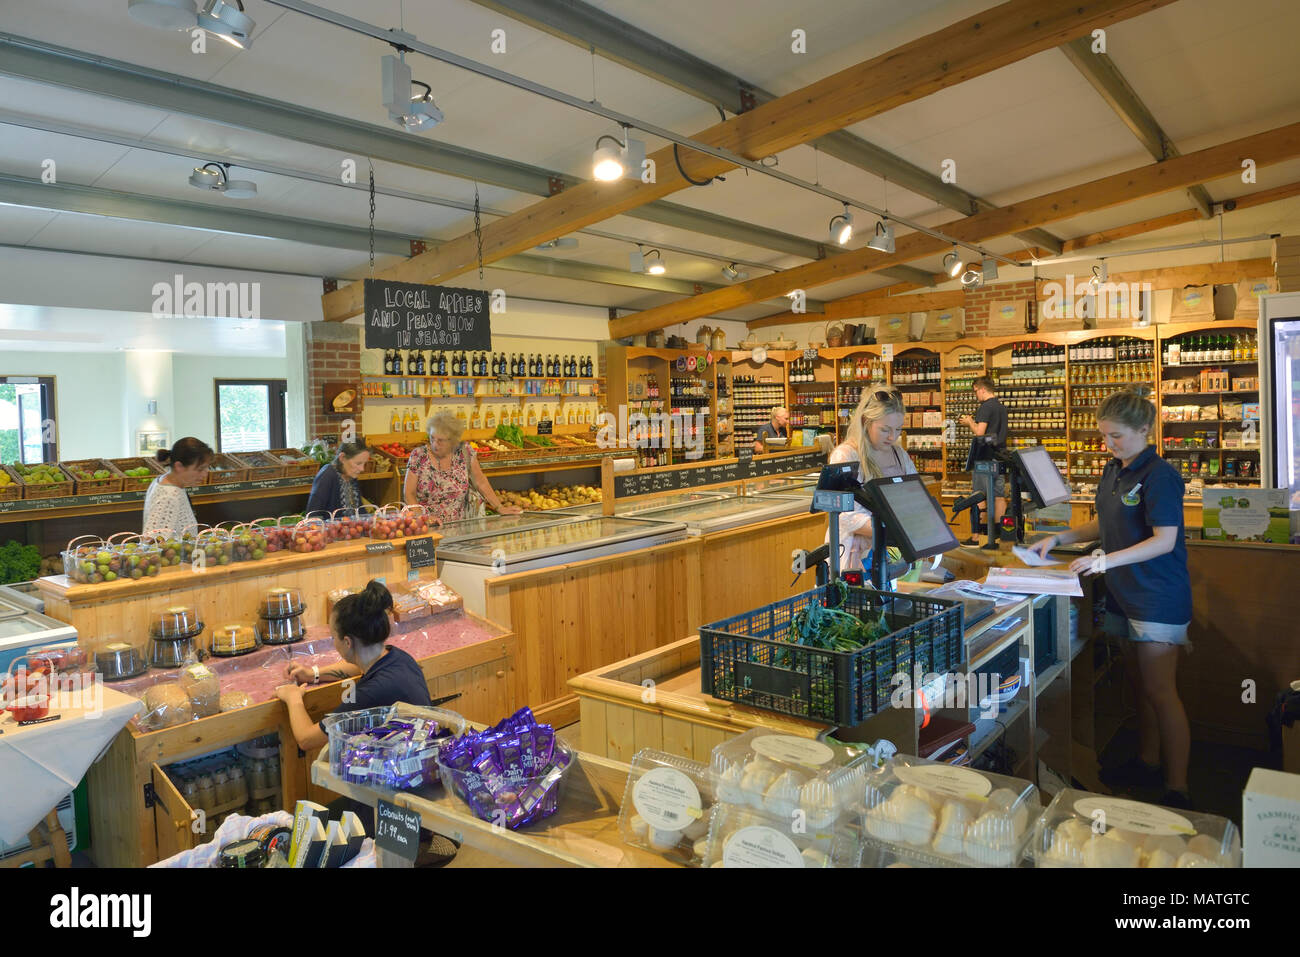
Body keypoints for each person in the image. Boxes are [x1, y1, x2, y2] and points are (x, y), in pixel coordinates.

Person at [1027, 388, 1192, 809]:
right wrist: (1060, 537)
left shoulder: (1161, 477)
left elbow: (1164, 540)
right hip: (1122, 595)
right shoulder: (1114, 469)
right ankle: (1147, 762)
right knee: (1139, 685)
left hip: (1157, 596)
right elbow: (1104, 522)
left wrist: (1105, 561)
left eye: (1117, 436)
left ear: (1144, 431)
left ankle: (1178, 788)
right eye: (1104, 437)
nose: (1109, 444)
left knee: (1161, 690)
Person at [276, 580, 432, 752]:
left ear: (347, 642)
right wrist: (312, 674)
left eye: (333, 637)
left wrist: (294, 698)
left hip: (403, 771)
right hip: (422, 756)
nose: (334, 642)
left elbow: (306, 739)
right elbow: (357, 667)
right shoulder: (398, 658)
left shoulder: (369, 693)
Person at [825, 389, 916, 574]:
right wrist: (894, 531)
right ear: (866, 422)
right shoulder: (846, 456)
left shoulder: (899, 455)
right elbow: (845, 515)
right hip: (852, 557)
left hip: (889, 556)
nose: (893, 437)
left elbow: (914, 498)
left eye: (898, 429)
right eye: (885, 430)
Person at [404, 412, 522, 524]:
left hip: (460, 527)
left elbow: (481, 482)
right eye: (432, 438)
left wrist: (500, 507)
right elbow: (409, 493)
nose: (435, 444)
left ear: (453, 440)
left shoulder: (464, 451)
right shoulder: (419, 456)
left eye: (440, 441)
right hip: (427, 527)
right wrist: (422, 517)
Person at [959, 376, 1008, 544]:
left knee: (980, 496)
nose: (975, 395)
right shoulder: (1001, 407)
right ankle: (999, 534)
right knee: (999, 496)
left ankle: (977, 537)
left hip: (985, 457)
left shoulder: (985, 407)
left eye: (975, 392)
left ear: (982, 389)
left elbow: (980, 434)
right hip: (999, 456)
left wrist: (969, 422)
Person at [142, 437, 213, 537]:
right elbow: (152, 542)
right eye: (200, 469)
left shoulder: (163, 480)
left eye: (207, 468)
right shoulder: (168, 497)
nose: (205, 474)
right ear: (179, 466)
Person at [305, 441, 370, 517]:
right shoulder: (327, 475)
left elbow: (360, 510)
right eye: (358, 463)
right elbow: (313, 514)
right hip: (329, 528)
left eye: (364, 464)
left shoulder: (351, 476)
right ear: (342, 458)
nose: (362, 469)